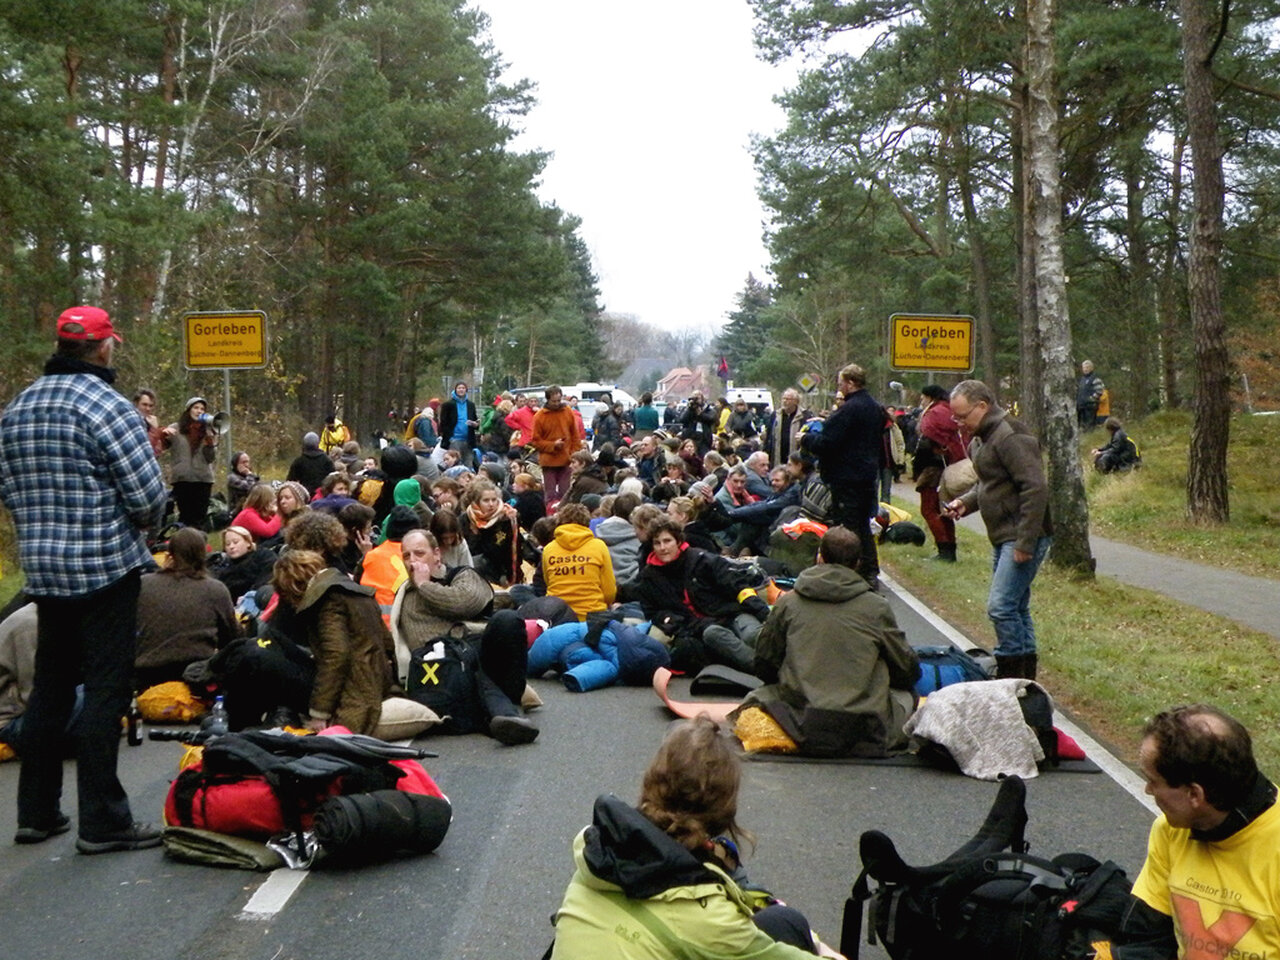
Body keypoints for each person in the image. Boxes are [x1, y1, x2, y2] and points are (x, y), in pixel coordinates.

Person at [0, 304, 168, 852]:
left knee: (48, 688)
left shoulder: (18, 408)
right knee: (104, 688)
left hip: (44, 569)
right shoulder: (108, 408)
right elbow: (147, 497)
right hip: (104, 568)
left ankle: (36, 811)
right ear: (103, 347)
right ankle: (103, 818)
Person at [548, 715, 844, 958]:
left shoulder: (602, 848)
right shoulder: (707, 918)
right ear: (723, 812)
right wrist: (821, 947)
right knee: (789, 926)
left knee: (780, 921)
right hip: (704, 929)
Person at [1115, 704, 1279, 960]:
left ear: (1194, 794)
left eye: (1153, 781)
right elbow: (1145, 938)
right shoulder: (1170, 831)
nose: (1148, 790)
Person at [745, 528, 919, 755]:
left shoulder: (789, 603)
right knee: (906, 697)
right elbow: (906, 669)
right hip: (863, 726)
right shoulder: (876, 607)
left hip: (801, 720)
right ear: (857, 563)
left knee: (756, 700)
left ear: (820, 556)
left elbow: (765, 662)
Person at [943, 379, 1052, 680]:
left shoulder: (1011, 436)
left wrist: (1025, 542)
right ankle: (1025, 676)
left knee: (1001, 606)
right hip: (1003, 533)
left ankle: (1010, 671)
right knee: (1016, 606)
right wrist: (966, 502)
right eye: (956, 417)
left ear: (982, 406)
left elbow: (1035, 487)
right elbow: (990, 483)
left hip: (1020, 534)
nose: (959, 423)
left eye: (963, 416)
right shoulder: (981, 438)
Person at [391, 529, 538, 744]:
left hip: (481, 649)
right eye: (406, 555)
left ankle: (504, 709)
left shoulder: (461, 575)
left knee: (507, 620)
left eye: (419, 553)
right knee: (464, 658)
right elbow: (419, 640)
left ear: (437, 554)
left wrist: (425, 585)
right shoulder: (406, 595)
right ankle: (504, 714)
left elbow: (463, 603)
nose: (412, 561)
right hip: (445, 664)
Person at [621, 516, 770, 674]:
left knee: (752, 635)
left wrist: (762, 610)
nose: (662, 547)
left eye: (667, 541)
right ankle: (764, 670)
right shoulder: (649, 577)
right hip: (699, 628)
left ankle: (783, 662)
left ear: (678, 541)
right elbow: (654, 612)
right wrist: (677, 623)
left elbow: (737, 586)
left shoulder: (702, 560)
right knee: (713, 635)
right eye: (657, 543)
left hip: (732, 614)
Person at [273, 549, 393, 736]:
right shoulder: (353, 590)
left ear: (295, 585)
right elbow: (387, 642)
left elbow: (336, 655)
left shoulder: (329, 599)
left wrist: (320, 712)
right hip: (379, 677)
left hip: (358, 686)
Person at [801, 364, 885, 586]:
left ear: (850, 383)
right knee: (863, 526)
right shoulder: (875, 407)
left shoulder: (850, 409)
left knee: (847, 527)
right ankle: (869, 569)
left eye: (840, 383)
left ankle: (849, 573)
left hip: (846, 476)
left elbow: (829, 443)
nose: (839, 388)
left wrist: (806, 440)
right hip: (867, 475)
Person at [134, 528, 240, 689]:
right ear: (203, 554)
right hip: (197, 677)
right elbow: (232, 638)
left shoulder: (143, 584)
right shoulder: (215, 589)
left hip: (147, 676)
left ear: (170, 554)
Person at [912, 384, 968, 563]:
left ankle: (945, 550)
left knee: (929, 509)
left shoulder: (935, 414)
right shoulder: (948, 410)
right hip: (945, 464)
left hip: (934, 467)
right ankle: (949, 548)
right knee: (943, 509)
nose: (921, 401)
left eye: (923, 398)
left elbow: (928, 438)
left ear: (930, 397)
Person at [542, 503, 616, 620]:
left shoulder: (548, 549)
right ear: (587, 522)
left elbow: (548, 582)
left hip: (558, 616)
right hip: (593, 616)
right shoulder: (599, 546)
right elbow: (609, 592)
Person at [164, 396, 219, 528]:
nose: (199, 411)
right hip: (182, 478)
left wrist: (210, 443)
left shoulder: (208, 430)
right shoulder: (176, 428)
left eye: (202, 409)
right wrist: (162, 434)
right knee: (185, 518)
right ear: (188, 410)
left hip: (203, 479)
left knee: (199, 518)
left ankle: (198, 545)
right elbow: (162, 446)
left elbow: (210, 458)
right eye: (196, 407)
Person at [460, 478, 522, 585]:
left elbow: (513, 549)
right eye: (486, 500)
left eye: (494, 500)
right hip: (474, 569)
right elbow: (467, 551)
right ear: (476, 502)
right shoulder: (466, 519)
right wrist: (475, 535)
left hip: (500, 568)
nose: (491, 504)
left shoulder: (505, 517)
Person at [530, 385, 582, 513]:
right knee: (550, 495)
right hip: (549, 462)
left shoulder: (568, 411)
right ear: (547, 400)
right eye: (554, 401)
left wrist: (575, 454)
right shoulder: (540, 416)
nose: (557, 404)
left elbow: (575, 435)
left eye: (559, 400)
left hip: (566, 460)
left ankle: (565, 516)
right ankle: (550, 517)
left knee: (566, 494)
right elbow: (535, 441)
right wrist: (552, 445)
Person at [209, 525, 276, 604]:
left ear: (248, 542)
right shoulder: (224, 570)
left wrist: (250, 595)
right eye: (227, 544)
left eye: (235, 542)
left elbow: (269, 575)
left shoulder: (264, 555)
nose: (231, 547)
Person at [439, 381, 479, 465]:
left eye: (463, 388)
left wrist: (476, 424)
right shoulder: (448, 405)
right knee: (454, 463)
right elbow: (443, 422)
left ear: (466, 390)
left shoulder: (470, 405)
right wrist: (449, 438)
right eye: (459, 388)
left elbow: (475, 419)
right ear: (455, 390)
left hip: (468, 440)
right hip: (454, 439)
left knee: (468, 462)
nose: (461, 390)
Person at [766, 388, 811, 464]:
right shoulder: (776, 415)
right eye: (783, 398)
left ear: (796, 401)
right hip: (778, 458)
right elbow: (769, 436)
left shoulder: (805, 416)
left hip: (797, 458)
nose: (784, 401)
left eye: (788, 399)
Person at [287, 431, 333, 497]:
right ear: (318, 444)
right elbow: (333, 478)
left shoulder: (299, 461)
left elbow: (290, 481)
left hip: (305, 495)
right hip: (323, 495)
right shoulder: (326, 460)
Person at [226, 450, 259, 515]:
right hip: (238, 512)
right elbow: (249, 488)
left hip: (253, 510)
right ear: (236, 464)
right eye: (243, 462)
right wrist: (249, 474)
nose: (246, 465)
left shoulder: (251, 476)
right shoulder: (232, 478)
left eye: (248, 462)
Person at [134, 388, 165, 456]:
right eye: (144, 404)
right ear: (136, 404)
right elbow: (144, 449)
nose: (148, 409)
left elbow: (156, 452)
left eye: (150, 406)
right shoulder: (131, 422)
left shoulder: (149, 423)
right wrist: (154, 429)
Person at [1076, 360, 1105, 429]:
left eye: (1087, 367)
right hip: (1081, 406)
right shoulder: (1082, 379)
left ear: (1091, 368)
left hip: (1090, 407)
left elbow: (1099, 391)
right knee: (1081, 425)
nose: (1085, 369)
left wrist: (1091, 399)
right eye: (1084, 367)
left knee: (1089, 426)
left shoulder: (1095, 378)